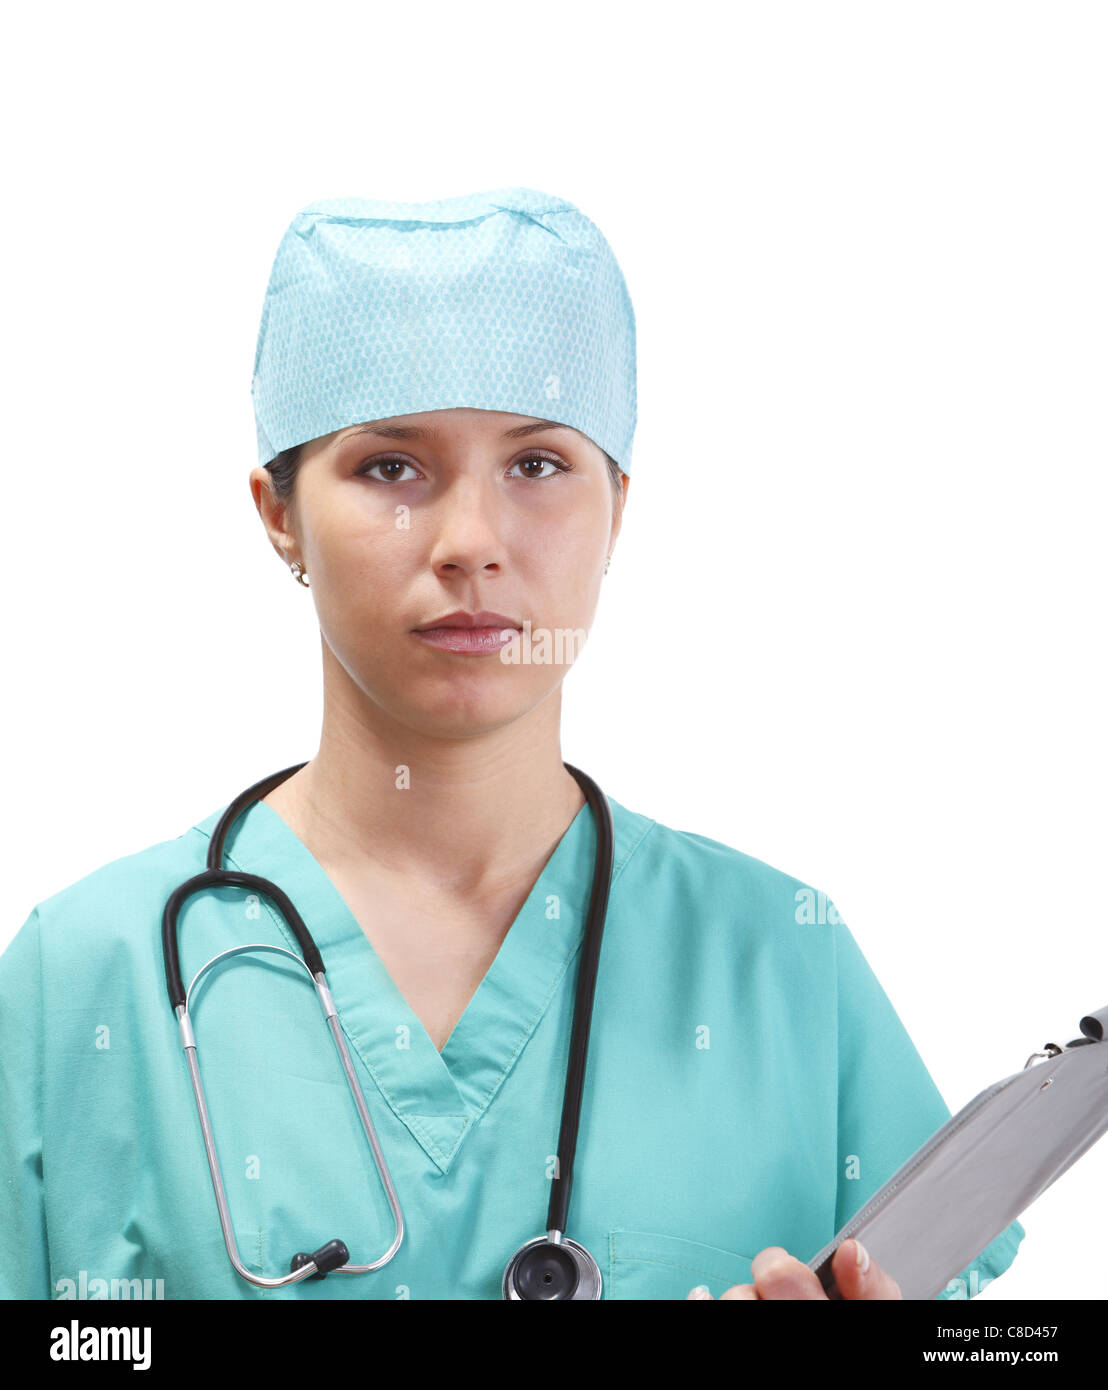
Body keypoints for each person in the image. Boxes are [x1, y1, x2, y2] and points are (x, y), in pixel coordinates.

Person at [0, 188, 1024, 1301]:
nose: (471, 542)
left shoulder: (782, 957)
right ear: (278, 512)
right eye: (392, 467)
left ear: (617, 507)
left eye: (537, 466)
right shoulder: (87, 969)